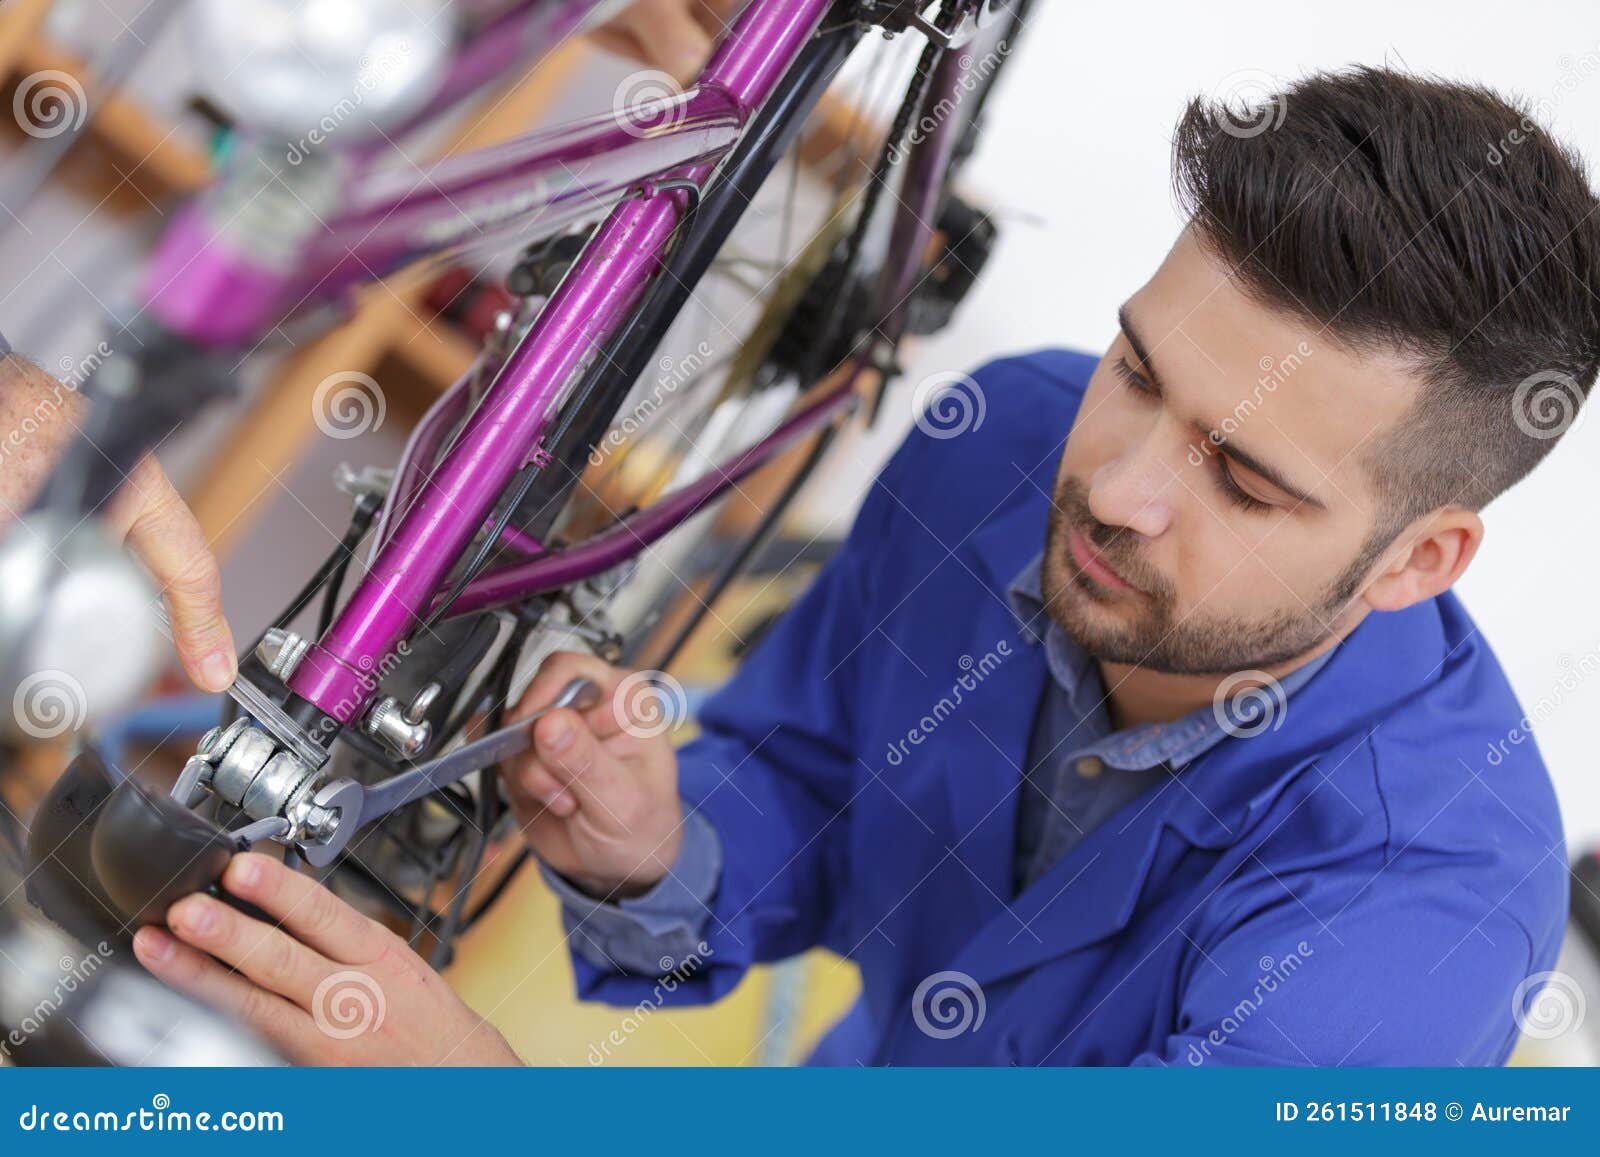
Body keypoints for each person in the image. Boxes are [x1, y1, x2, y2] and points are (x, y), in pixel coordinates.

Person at [21, 13, 1591, 1065]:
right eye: (1138, 370)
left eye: (1245, 480)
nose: (1116, 487)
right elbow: (816, 779)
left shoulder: (1418, 913)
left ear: (1416, 561)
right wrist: (662, 843)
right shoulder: (1013, 446)